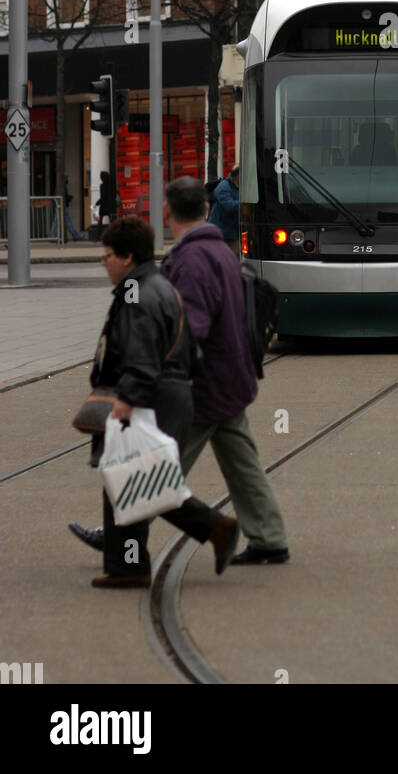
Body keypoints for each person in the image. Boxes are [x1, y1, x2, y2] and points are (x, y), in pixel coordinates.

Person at [69, 180, 289, 566]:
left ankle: (120, 540)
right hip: (231, 379)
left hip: (202, 386)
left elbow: (189, 328)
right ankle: (269, 538)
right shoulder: (219, 250)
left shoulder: (190, 261)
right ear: (206, 210)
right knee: (242, 465)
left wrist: (165, 380)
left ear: (167, 212)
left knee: (150, 467)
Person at [69, 216, 240, 588]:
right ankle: (137, 562)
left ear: (128, 257)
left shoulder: (136, 293)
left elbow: (141, 353)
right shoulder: (161, 285)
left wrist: (129, 398)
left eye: (108, 255)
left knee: (129, 476)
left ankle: (145, 560)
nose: (104, 262)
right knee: (137, 477)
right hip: (171, 393)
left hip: (150, 395)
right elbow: (190, 348)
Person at [207, 165, 240, 254]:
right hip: (221, 232)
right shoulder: (223, 187)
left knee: (234, 258)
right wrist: (245, 203)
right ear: (237, 175)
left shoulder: (237, 187)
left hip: (233, 232)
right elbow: (229, 206)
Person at [50, 176, 84, 242]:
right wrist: (69, 198)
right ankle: (52, 235)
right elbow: (63, 196)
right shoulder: (62, 187)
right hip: (62, 206)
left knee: (63, 221)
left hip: (61, 205)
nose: (67, 180)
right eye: (66, 178)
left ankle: (74, 235)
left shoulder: (61, 186)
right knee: (60, 221)